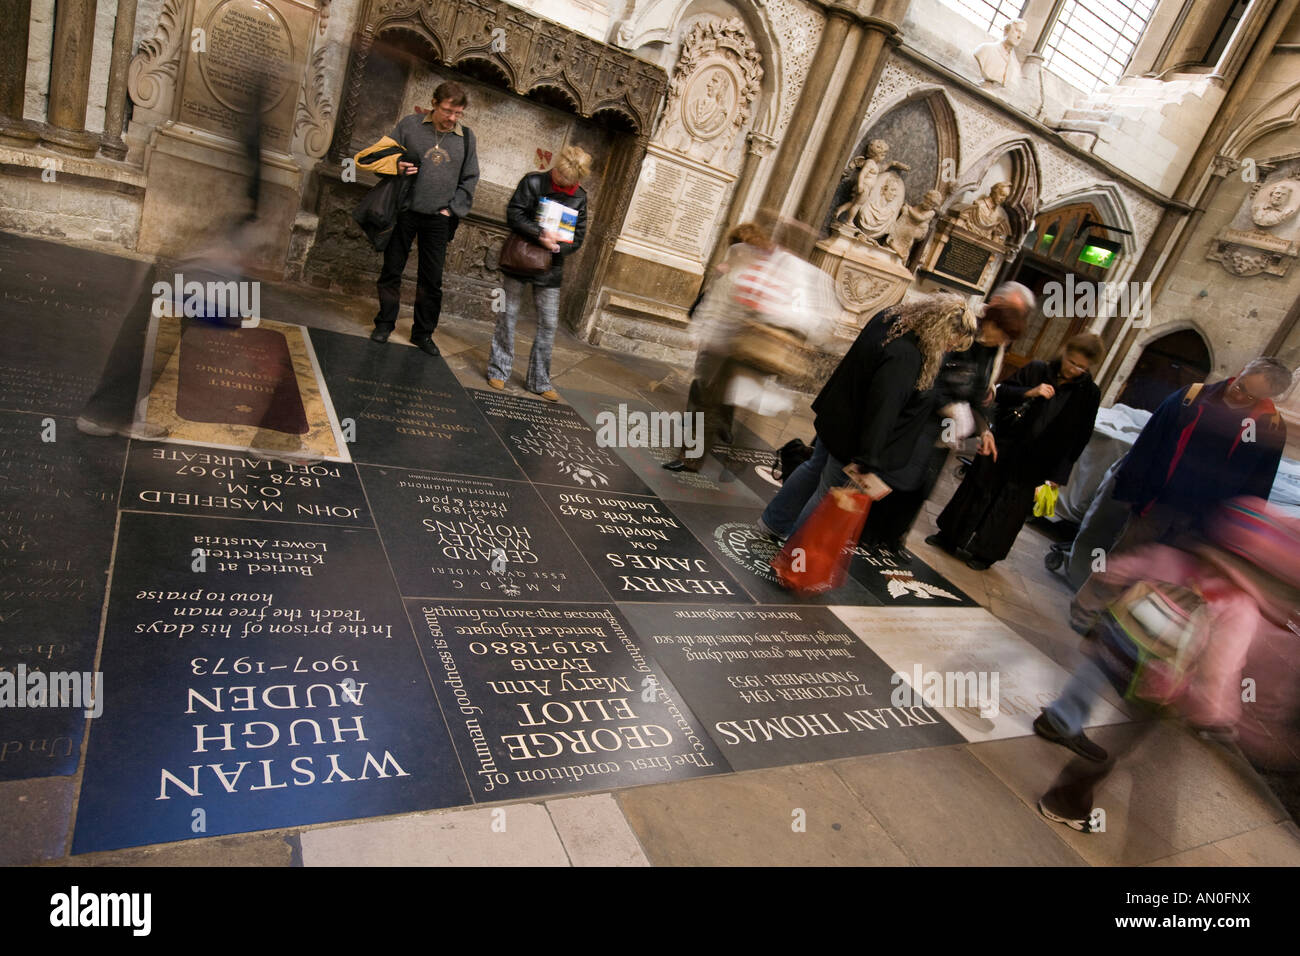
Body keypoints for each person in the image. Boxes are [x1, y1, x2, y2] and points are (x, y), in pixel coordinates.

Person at [1070, 356, 1291, 630]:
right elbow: (1149, 442)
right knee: (1123, 560)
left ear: (1268, 397)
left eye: (1250, 393)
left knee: (1165, 577)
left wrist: (1238, 530)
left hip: (1202, 519)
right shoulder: (1192, 397)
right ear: (1242, 370)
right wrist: (1130, 489)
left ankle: (1120, 628)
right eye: (1242, 383)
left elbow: (1258, 484)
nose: (1239, 392)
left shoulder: (1269, 427)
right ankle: (1086, 611)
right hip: (1156, 500)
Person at [757, 292, 975, 541]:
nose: (948, 349)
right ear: (938, 328)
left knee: (813, 469)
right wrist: (868, 459)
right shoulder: (907, 354)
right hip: (855, 435)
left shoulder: (893, 316)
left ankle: (773, 523)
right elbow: (884, 408)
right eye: (950, 342)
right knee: (828, 493)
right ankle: (794, 558)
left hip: (838, 416)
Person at [860, 282, 1031, 556]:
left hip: (949, 428)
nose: (1005, 342)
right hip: (925, 416)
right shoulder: (963, 336)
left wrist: (985, 429)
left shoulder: (989, 351)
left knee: (922, 484)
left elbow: (978, 392)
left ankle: (895, 537)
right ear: (992, 323)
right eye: (1004, 334)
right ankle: (870, 532)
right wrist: (946, 405)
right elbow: (931, 375)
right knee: (901, 476)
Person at [929, 332, 1103, 571]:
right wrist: (1030, 392)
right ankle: (949, 536)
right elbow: (999, 394)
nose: (1074, 369)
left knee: (1010, 508)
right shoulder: (1037, 369)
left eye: (1082, 367)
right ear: (1065, 352)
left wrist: (1058, 475)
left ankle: (985, 554)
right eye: (1072, 362)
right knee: (977, 489)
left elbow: (1080, 436)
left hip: (1039, 460)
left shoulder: (1089, 394)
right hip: (1005, 443)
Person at [365, 82, 480, 357]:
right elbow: (380, 158)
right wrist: (397, 165)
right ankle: (384, 323)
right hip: (404, 212)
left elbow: (471, 178)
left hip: (438, 219)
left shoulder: (466, 137)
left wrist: (451, 210)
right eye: (448, 110)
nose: (452, 118)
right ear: (434, 103)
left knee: (431, 280)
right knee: (392, 270)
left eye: (458, 113)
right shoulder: (410, 125)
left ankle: (422, 333)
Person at [663, 221, 772, 472]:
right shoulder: (745, 276)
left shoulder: (741, 278)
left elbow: (718, 310)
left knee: (707, 404)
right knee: (713, 398)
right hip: (730, 349)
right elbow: (712, 307)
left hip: (727, 350)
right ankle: (719, 430)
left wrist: (703, 332)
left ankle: (690, 459)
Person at [486, 146, 591, 402]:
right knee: (506, 314)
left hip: (551, 267)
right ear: (554, 167)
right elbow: (514, 213)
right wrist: (540, 234)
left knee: (548, 324)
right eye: (559, 177)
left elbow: (578, 237)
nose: (561, 183)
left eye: (568, 182)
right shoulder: (533, 181)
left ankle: (538, 380)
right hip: (519, 259)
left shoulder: (580, 197)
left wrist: (558, 246)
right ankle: (498, 369)